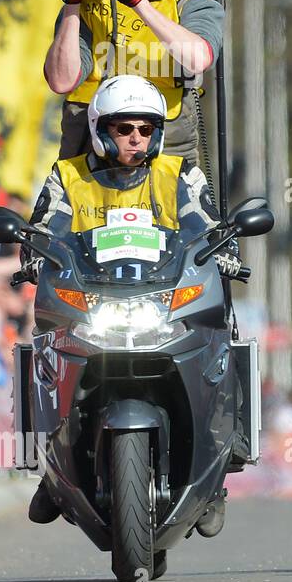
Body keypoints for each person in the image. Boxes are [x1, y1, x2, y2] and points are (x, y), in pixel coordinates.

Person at [20, 75, 242, 527]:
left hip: (159, 300)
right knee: (42, 344)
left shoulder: (181, 176)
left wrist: (228, 253)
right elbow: (41, 229)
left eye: (145, 129)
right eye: (124, 129)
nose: (135, 139)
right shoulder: (68, 176)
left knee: (221, 330)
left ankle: (222, 458)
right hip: (93, 301)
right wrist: (29, 255)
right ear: (101, 131)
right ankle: (49, 468)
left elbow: (208, 227)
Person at [43, 0, 224, 166]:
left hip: (168, 153)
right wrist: (72, 2)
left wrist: (137, 2)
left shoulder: (191, 4)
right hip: (88, 148)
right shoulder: (88, 2)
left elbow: (198, 59)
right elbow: (61, 81)